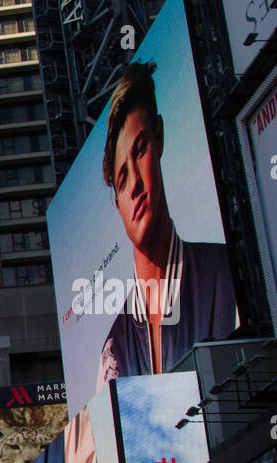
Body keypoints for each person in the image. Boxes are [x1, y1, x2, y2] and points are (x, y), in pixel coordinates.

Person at [95, 62, 238, 387]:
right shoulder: (114, 344)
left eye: (141, 149)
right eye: (121, 178)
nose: (134, 185)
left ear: (159, 137)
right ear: (117, 202)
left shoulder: (225, 272)